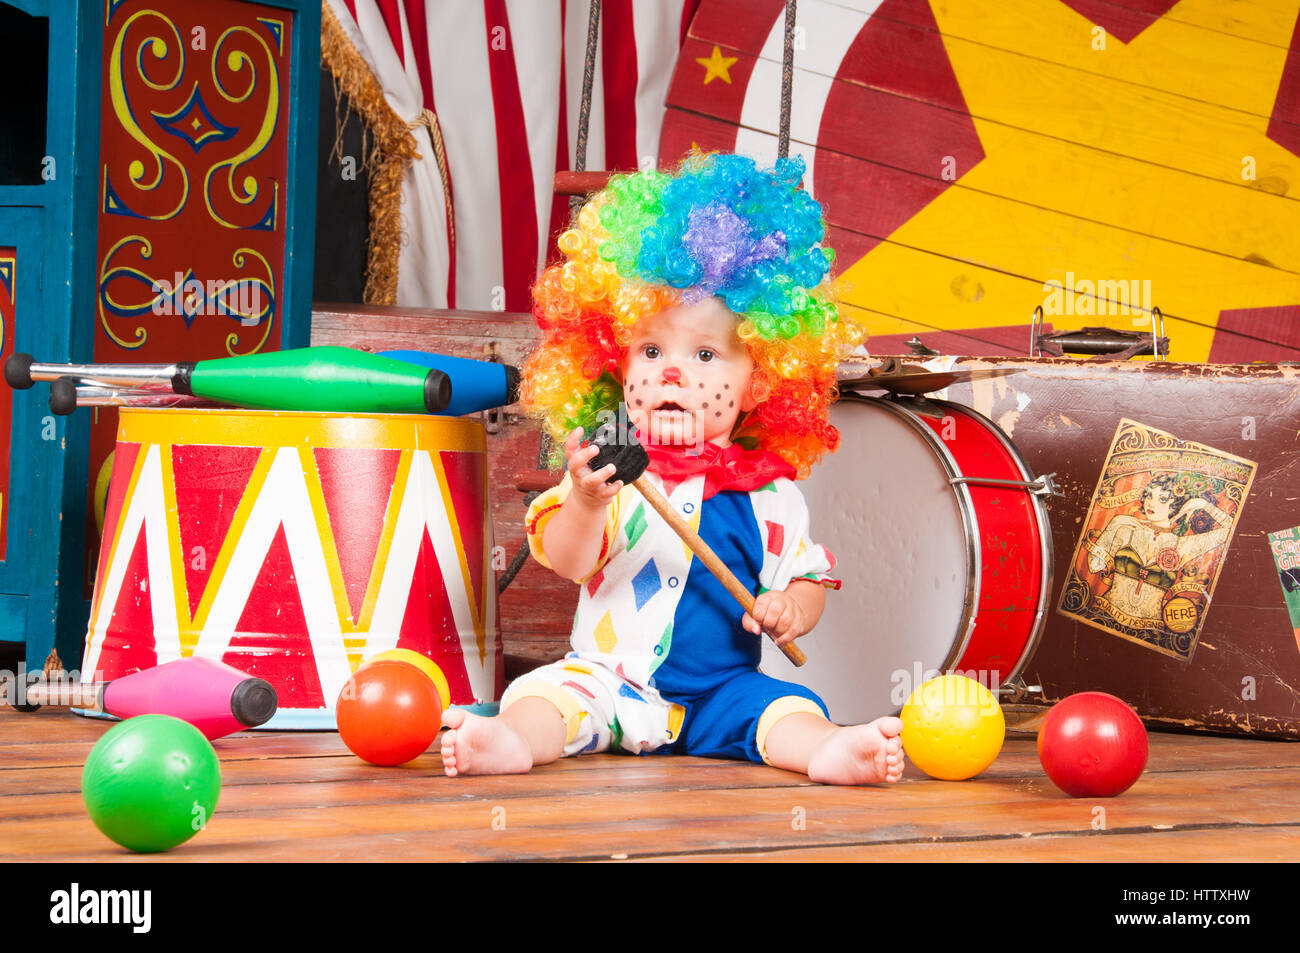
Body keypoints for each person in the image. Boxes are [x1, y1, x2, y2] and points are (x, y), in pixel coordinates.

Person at [440, 153, 904, 785]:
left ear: (761, 382)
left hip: (722, 691)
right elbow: (570, 560)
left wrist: (792, 607)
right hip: (607, 680)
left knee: (785, 708)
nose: (672, 373)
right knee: (548, 695)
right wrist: (585, 500)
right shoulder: (607, 472)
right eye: (651, 350)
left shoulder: (769, 494)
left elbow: (805, 579)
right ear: (615, 363)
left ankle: (829, 750)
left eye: (706, 354)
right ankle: (513, 741)